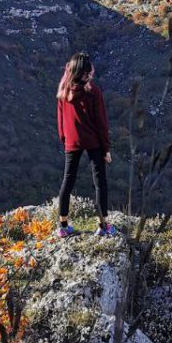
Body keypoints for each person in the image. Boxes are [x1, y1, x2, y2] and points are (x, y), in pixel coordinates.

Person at [55, 51, 114, 238]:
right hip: (94, 141)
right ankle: (103, 226)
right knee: (100, 183)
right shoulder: (93, 92)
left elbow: (60, 119)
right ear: (84, 73)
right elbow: (101, 123)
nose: (92, 74)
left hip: (72, 140)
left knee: (68, 180)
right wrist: (106, 149)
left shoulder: (63, 90)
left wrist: (64, 139)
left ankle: (63, 225)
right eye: (89, 72)